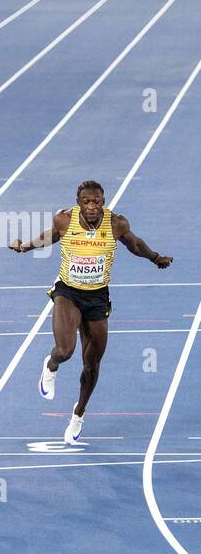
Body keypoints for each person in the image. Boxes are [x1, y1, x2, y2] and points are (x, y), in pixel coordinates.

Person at [10, 180, 171, 444]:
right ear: (79, 203)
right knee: (64, 350)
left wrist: (155, 258)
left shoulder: (116, 223)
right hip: (68, 292)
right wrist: (25, 246)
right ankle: (51, 366)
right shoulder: (64, 220)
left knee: (92, 365)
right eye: (87, 201)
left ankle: (78, 413)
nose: (92, 206)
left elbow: (134, 244)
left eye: (97, 201)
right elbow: (50, 235)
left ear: (103, 202)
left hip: (97, 297)